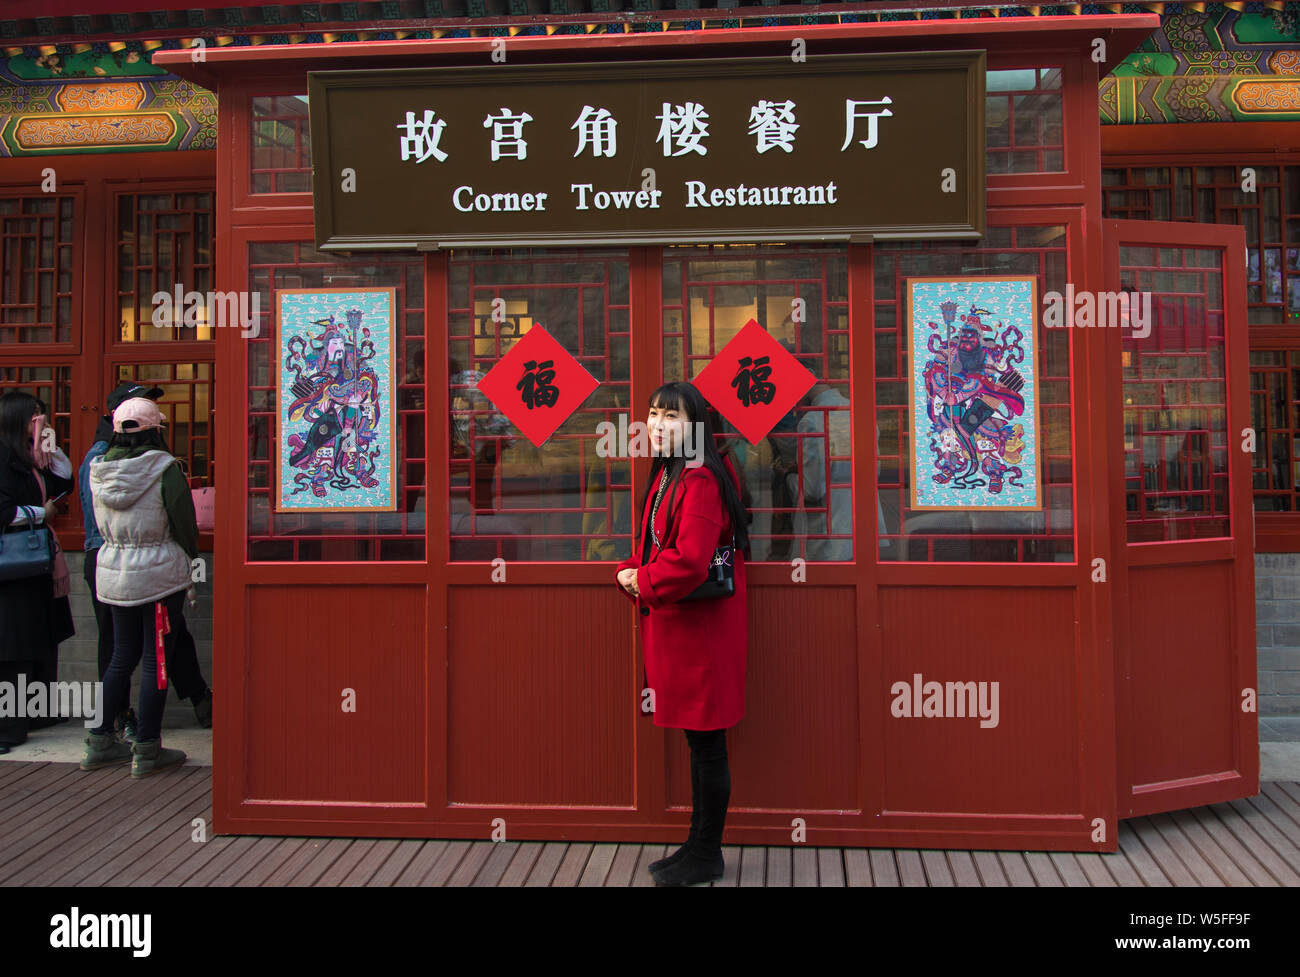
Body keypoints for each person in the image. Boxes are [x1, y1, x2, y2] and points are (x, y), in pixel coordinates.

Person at [615, 381, 750, 886]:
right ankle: (697, 846)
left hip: (704, 638)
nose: (656, 424)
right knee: (700, 743)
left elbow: (690, 560)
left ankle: (706, 852)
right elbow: (654, 544)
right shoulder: (672, 471)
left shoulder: (703, 480)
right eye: (652, 414)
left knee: (708, 744)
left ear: (694, 426)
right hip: (683, 629)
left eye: (670, 417)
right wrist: (629, 570)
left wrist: (642, 581)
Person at [79, 381, 213, 738]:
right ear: (156, 430)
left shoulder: (98, 468)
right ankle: (148, 746)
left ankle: (99, 738)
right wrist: (190, 557)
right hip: (156, 575)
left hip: (112, 570)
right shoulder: (165, 469)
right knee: (157, 660)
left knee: (120, 657)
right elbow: (185, 526)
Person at [0, 392, 76, 754]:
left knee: (42, 639)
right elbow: (4, 512)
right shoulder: (2, 459)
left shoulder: (31, 457)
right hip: (12, 569)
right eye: (35, 416)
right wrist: (40, 514)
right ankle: (9, 727)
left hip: (39, 564)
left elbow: (65, 481)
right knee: (14, 647)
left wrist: (49, 442)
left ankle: (38, 711)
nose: (41, 421)